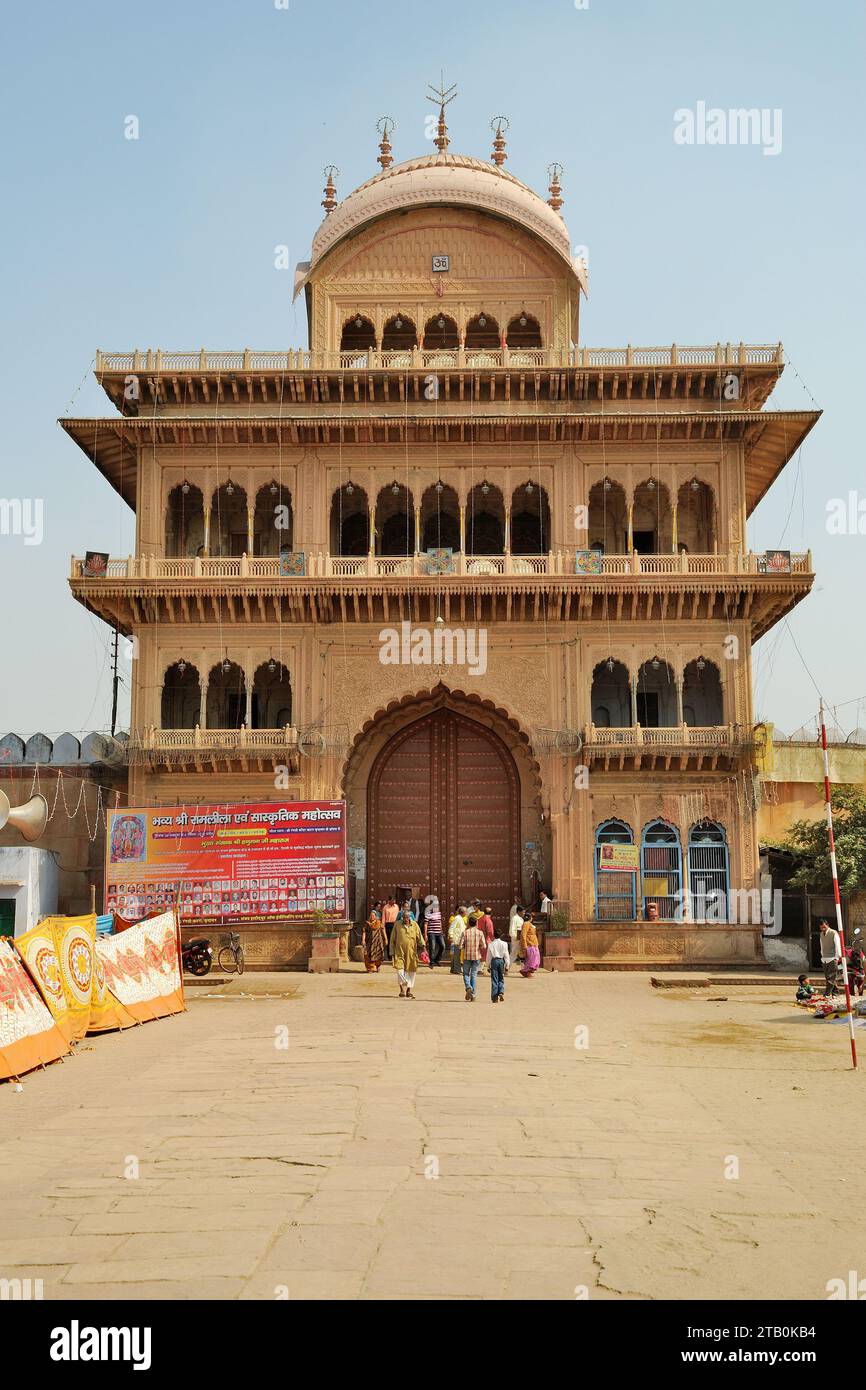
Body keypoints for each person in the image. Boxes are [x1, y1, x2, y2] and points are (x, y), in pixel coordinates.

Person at [390, 904, 425, 999]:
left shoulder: (415, 925)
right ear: (402, 917)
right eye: (404, 917)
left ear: (410, 917)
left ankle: (409, 990)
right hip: (399, 952)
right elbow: (392, 938)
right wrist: (391, 952)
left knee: (412, 971)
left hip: (411, 952)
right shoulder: (397, 925)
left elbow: (419, 937)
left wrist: (424, 948)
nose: (405, 919)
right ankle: (402, 989)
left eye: (407, 917)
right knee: (399, 970)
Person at [461, 909, 486, 1002]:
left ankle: (468, 987)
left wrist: (465, 946)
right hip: (476, 956)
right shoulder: (480, 933)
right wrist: (478, 945)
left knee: (466, 974)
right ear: (476, 923)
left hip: (467, 956)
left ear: (468, 923)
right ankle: (473, 995)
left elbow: (460, 945)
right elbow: (484, 946)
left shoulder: (465, 932)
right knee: (474, 975)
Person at [487, 926, 510, 1003]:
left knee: (494, 979)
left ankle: (494, 997)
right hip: (501, 961)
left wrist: (488, 965)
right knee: (501, 977)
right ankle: (501, 992)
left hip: (494, 961)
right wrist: (507, 965)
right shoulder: (504, 944)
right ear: (501, 935)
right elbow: (506, 955)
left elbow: (488, 956)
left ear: (494, 935)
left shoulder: (491, 944)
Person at [819, 918, 842, 996]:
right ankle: (836, 993)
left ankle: (826, 994)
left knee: (830, 979)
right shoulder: (821, 934)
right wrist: (822, 955)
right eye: (821, 927)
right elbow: (822, 946)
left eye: (824, 927)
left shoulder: (833, 933)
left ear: (827, 925)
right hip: (824, 959)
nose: (823, 929)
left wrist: (837, 957)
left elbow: (837, 945)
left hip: (832, 958)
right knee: (829, 978)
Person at [363, 901, 387, 973]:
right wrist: (363, 940)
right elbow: (364, 932)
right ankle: (371, 968)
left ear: (376, 916)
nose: (372, 917)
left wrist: (385, 938)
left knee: (378, 954)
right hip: (369, 942)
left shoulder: (379, 922)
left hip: (377, 942)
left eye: (373, 915)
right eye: (371, 915)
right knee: (368, 954)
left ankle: (378, 966)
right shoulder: (367, 923)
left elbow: (383, 930)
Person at [424, 895, 444, 968]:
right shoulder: (428, 913)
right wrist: (425, 935)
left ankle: (437, 960)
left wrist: (441, 930)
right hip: (431, 932)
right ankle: (432, 962)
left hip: (439, 932)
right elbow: (425, 924)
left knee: (442, 946)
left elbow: (439, 922)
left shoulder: (438, 912)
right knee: (432, 947)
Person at [520, 912, 541, 977]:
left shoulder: (530, 924)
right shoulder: (526, 924)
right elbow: (523, 935)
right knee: (531, 959)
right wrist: (524, 945)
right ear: (530, 918)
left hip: (534, 943)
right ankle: (526, 971)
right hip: (529, 944)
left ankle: (528, 971)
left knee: (535, 958)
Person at [448, 905, 466, 974]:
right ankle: (457, 970)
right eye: (465, 912)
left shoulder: (460, 918)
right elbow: (452, 927)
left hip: (458, 939)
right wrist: (451, 936)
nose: (466, 913)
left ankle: (453, 969)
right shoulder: (457, 918)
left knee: (456, 954)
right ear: (463, 912)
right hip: (456, 939)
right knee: (456, 955)